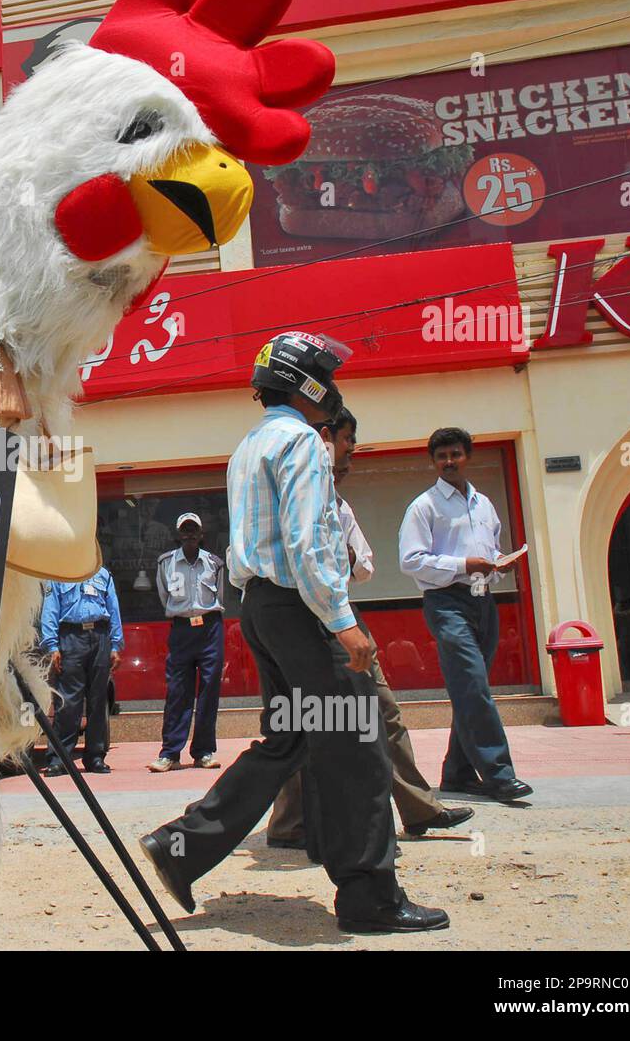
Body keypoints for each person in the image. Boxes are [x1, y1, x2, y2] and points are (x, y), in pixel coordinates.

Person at [139, 331, 448, 934]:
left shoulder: (249, 445)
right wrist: (344, 622)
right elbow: (308, 544)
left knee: (292, 740)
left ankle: (182, 845)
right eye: (326, 379)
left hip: (261, 607)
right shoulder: (304, 441)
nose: (333, 390)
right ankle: (370, 899)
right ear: (307, 384)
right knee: (359, 746)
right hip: (302, 611)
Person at [267, 409, 473, 851]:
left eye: (350, 455)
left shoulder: (339, 507)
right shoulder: (291, 496)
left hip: (341, 617)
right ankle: (306, 826)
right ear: (325, 441)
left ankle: (414, 810)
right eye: (345, 447)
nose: (347, 461)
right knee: (307, 721)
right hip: (307, 621)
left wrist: (342, 558)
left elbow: (364, 566)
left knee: (377, 715)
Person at [399, 427, 532, 802]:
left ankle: (457, 772)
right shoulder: (423, 506)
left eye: (455, 454)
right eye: (441, 456)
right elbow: (411, 561)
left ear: (466, 456)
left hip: (482, 600)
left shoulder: (483, 503)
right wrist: (464, 563)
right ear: (433, 461)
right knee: (473, 684)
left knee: (470, 688)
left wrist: (500, 564)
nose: (448, 462)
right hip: (446, 602)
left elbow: (491, 549)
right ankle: (500, 774)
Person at [149, 512, 225, 772]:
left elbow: (220, 598)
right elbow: (164, 597)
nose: (190, 534)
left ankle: (203, 752)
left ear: (201, 534)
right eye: (185, 530)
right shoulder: (165, 563)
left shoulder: (214, 563)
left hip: (209, 628)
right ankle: (170, 752)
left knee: (208, 692)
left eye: (194, 530)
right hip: (182, 630)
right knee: (178, 691)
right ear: (178, 534)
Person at [39, 564, 124, 776]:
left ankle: (95, 757)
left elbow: (113, 608)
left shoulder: (104, 575)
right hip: (71, 637)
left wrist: (115, 645)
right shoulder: (58, 574)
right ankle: (59, 759)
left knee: (98, 701)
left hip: (99, 636)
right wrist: (52, 646)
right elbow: (50, 610)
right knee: (68, 702)